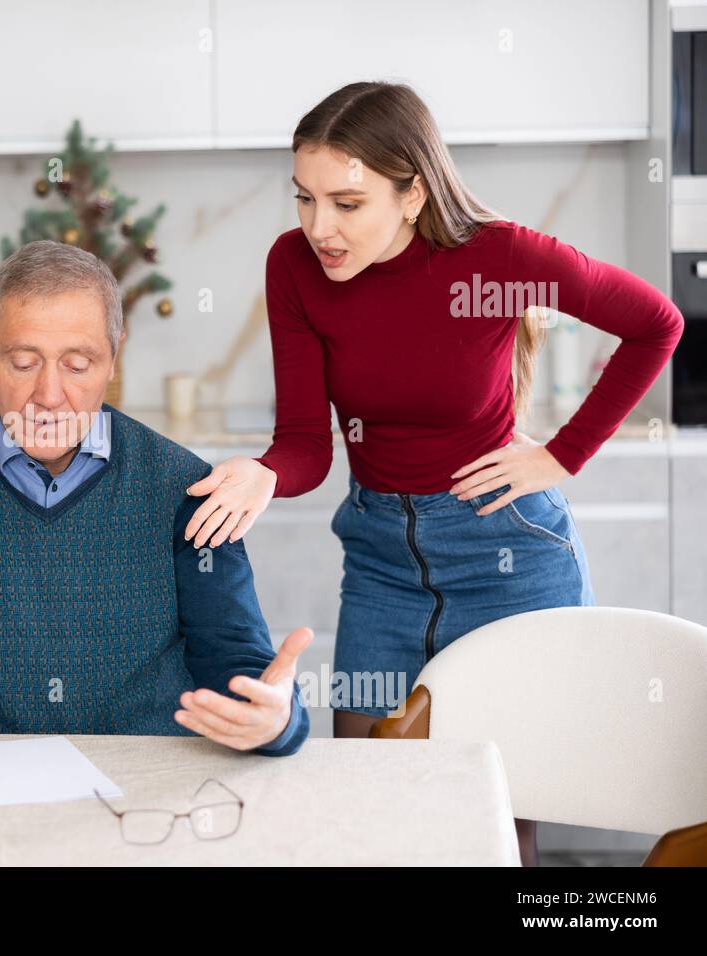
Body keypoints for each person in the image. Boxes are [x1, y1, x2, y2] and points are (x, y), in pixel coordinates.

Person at [182, 82, 684, 863]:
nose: (320, 228)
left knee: (497, 815)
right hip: (383, 562)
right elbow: (308, 442)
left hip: (507, 555)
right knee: (365, 790)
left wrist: (559, 454)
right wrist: (262, 473)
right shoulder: (295, 268)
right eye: (305, 199)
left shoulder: (500, 257)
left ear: (412, 192)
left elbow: (656, 322)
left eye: (347, 203)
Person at [0, 240, 312, 756]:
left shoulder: (185, 489)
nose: (49, 395)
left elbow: (243, 669)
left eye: (77, 364)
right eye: (23, 362)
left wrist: (277, 719)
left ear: (113, 357)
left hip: (141, 792)